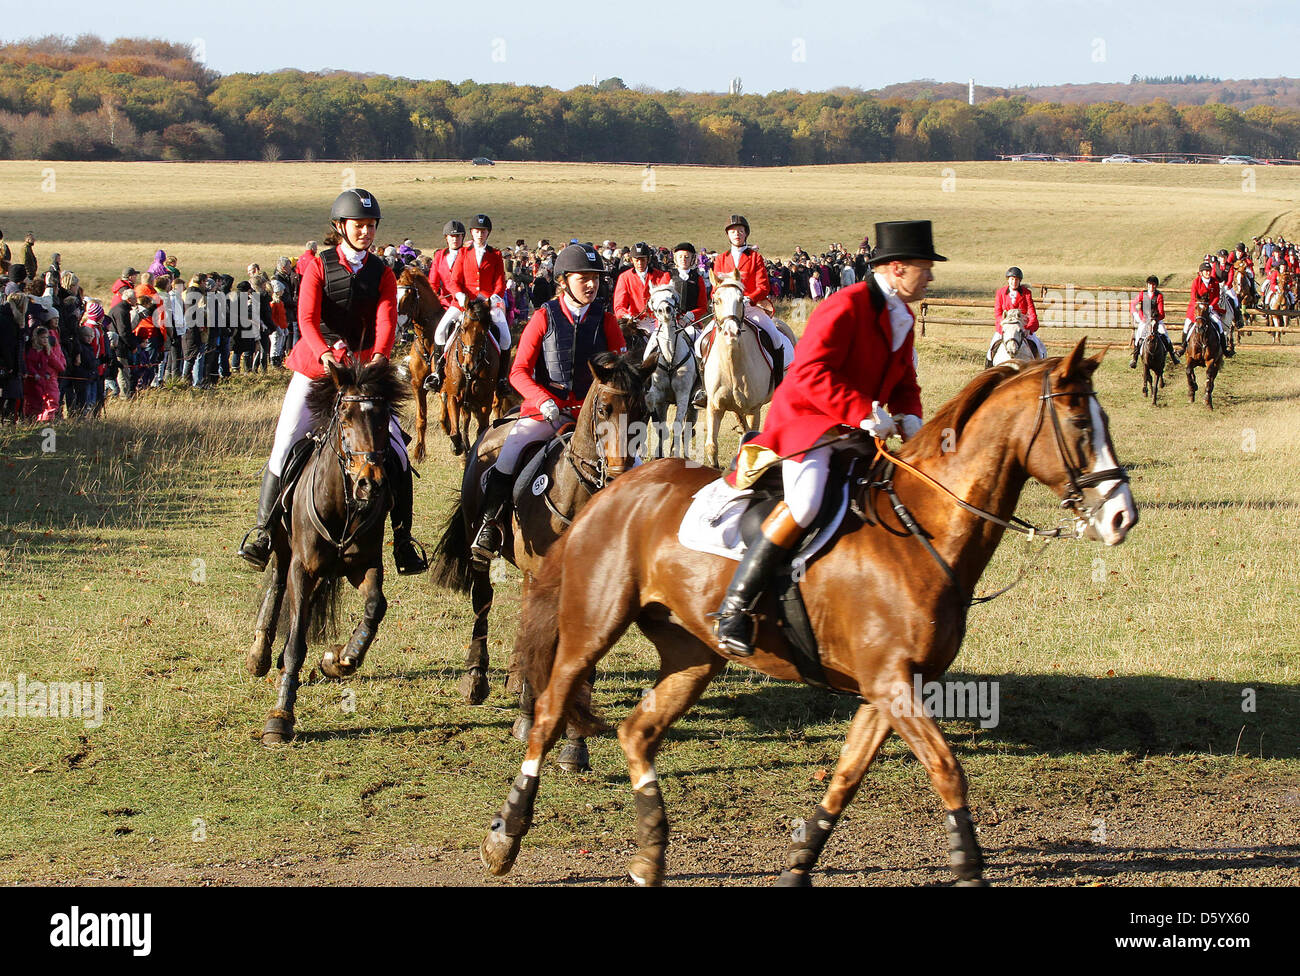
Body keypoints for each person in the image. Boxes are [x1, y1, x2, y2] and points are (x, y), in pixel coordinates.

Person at [711, 220, 941, 657]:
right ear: (896, 268)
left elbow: (904, 382)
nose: (929, 276)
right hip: (808, 425)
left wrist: (909, 417)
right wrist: (861, 411)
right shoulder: (845, 305)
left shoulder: (904, 317)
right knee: (807, 501)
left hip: (856, 432)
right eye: (923, 268)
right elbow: (811, 373)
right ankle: (735, 607)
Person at [237, 188, 428, 575]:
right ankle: (262, 530)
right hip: (316, 368)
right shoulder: (318, 266)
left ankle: (403, 541)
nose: (366, 232)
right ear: (341, 227)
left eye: (371, 226)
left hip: (362, 373)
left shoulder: (383, 272)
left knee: (397, 452)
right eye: (359, 225)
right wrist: (325, 353)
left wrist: (377, 357)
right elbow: (306, 318)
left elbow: (386, 319)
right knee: (286, 439)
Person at [467, 243, 627, 568]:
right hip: (546, 413)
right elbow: (518, 371)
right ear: (563, 280)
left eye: (595, 278)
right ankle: (491, 525)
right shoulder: (543, 317)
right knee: (510, 452)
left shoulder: (607, 321)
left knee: (632, 464)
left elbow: (621, 372)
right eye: (584, 278)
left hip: (595, 416)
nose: (592, 284)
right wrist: (542, 400)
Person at [700, 214, 794, 392]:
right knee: (700, 343)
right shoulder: (720, 259)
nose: (737, 234)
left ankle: (779, 383)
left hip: (751, 308)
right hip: (727, 312)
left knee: (775, 338)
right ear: (728, 235)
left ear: (746, 234)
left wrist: (749, 298)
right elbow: (715, 288)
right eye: (733, 231)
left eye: (740, 231)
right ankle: (704, 389)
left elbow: (763, 286)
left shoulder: (755, 258)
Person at [423, 220, 466, 392]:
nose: (454, 239)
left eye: (458, 236)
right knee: (438, 331)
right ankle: (437, 374)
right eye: (451, 236)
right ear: (446, 238)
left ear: (463, 237)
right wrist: (433, 300)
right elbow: (433, 282)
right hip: (444, 303)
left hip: (463, 304)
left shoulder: (469, 254)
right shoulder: (439, 256)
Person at [986, 266, 1043, 366]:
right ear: (1008, 280)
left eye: (1016, 279)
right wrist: (1002, 327)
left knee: (1038, 347)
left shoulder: (1026, 293)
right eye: (1012, 279)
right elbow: (998, 312)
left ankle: (1040, 369)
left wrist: (1028, 329)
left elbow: (1032, 313)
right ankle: (988, 369)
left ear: (1019, 281)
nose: (1014, 282)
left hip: (1022, 327)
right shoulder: (1001, 293)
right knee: (991, 349)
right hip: (1005, 326)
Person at [613, 241, 670, 329]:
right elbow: (619, 306)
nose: (640, 263)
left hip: (658, 321)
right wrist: (627, 316)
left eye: (643, 260)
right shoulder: (624, 277)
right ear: (631, 260)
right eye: (637, 260)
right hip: (635, 322)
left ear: (648, 259)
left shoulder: (662, 276)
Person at [1184, 261, 1233, 356]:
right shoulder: (1196, 282)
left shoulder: (1214, 282)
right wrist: (1200, 306)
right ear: (1201, 272)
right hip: (1197, 309)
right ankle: (1183, 346)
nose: (1207, 272)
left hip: (1210, 308)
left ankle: (1224, 348)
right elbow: (1193, 297)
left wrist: (1211, 306)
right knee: (1187, 325)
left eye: (1209, 271)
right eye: (1205, 271)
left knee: (1218, 324)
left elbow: (1216, 297)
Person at [1128, 275, 1178, 367]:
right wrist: (1138, 316)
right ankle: (1134, 358)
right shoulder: (1142, 294)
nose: (1151, 287)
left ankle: (1173, 356)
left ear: (1156, 286)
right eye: (1150, 285)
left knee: (1165, 335)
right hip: (1144, 320)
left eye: (1153, 285)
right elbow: (1133, 304)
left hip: (1156, 320)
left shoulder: (1159, 296)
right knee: (1139, 335)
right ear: (1147, 285)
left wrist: (1155, 320)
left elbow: (1161, 313)